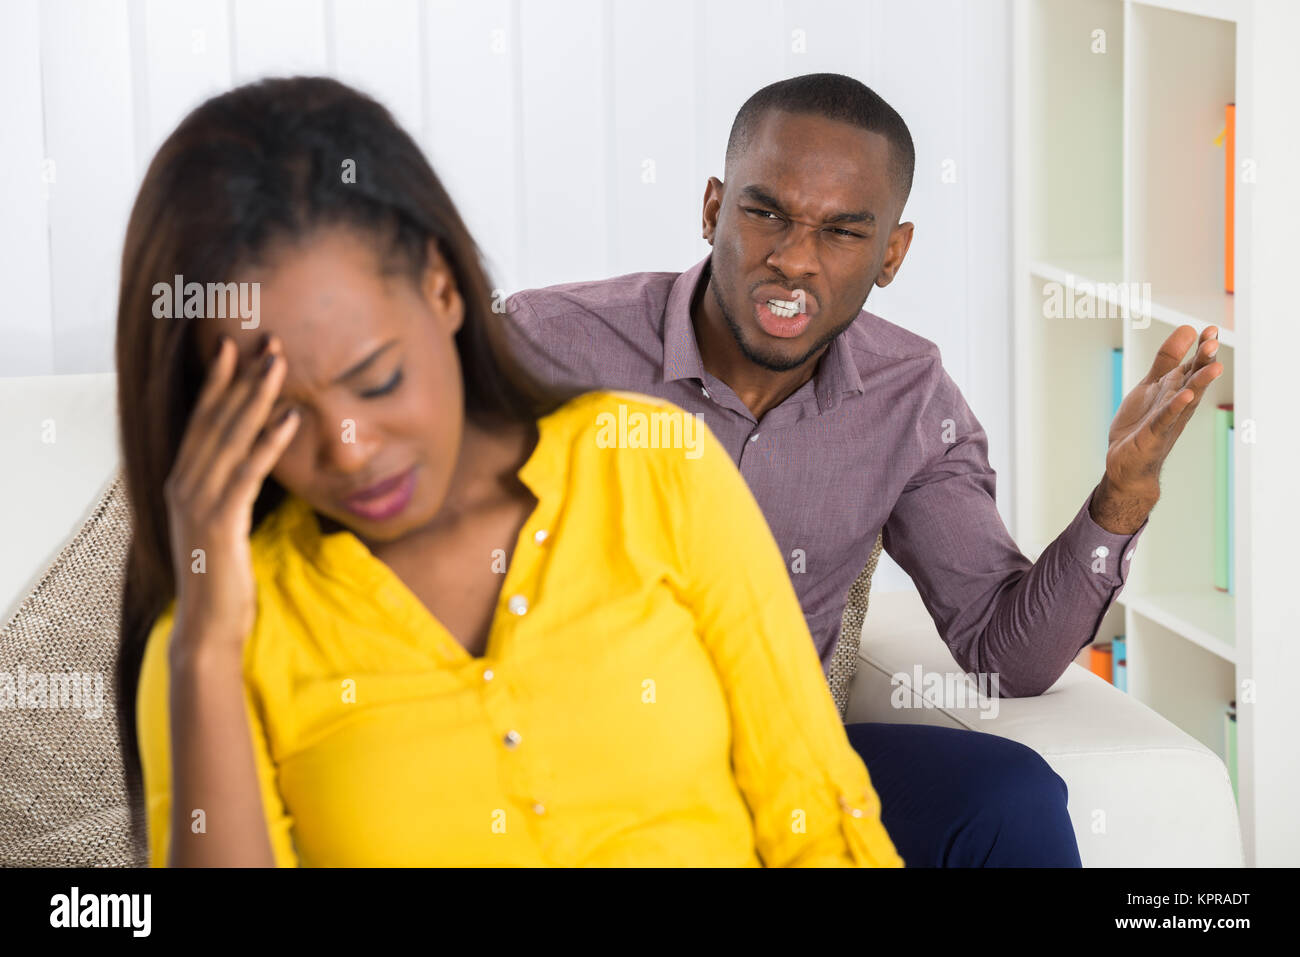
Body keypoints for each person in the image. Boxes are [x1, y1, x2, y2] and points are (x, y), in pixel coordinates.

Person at [113, 76, 902, 867]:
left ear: (443, 289)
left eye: (378, 378)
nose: (349, 449)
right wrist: (208, 648)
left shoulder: (656, 468)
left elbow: (820, 824)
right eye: (277, 411)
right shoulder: (218, 632)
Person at [501, 73, 1224, 867]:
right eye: (765, 212)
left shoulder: (908, 398)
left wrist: (1122, 493)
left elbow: (1001, 652)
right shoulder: (543, 346)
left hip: (779, 778)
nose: (793, 259)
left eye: (843, 232)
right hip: (551, 769)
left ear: (892, 254)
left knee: (1010, 797)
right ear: (713, 209)